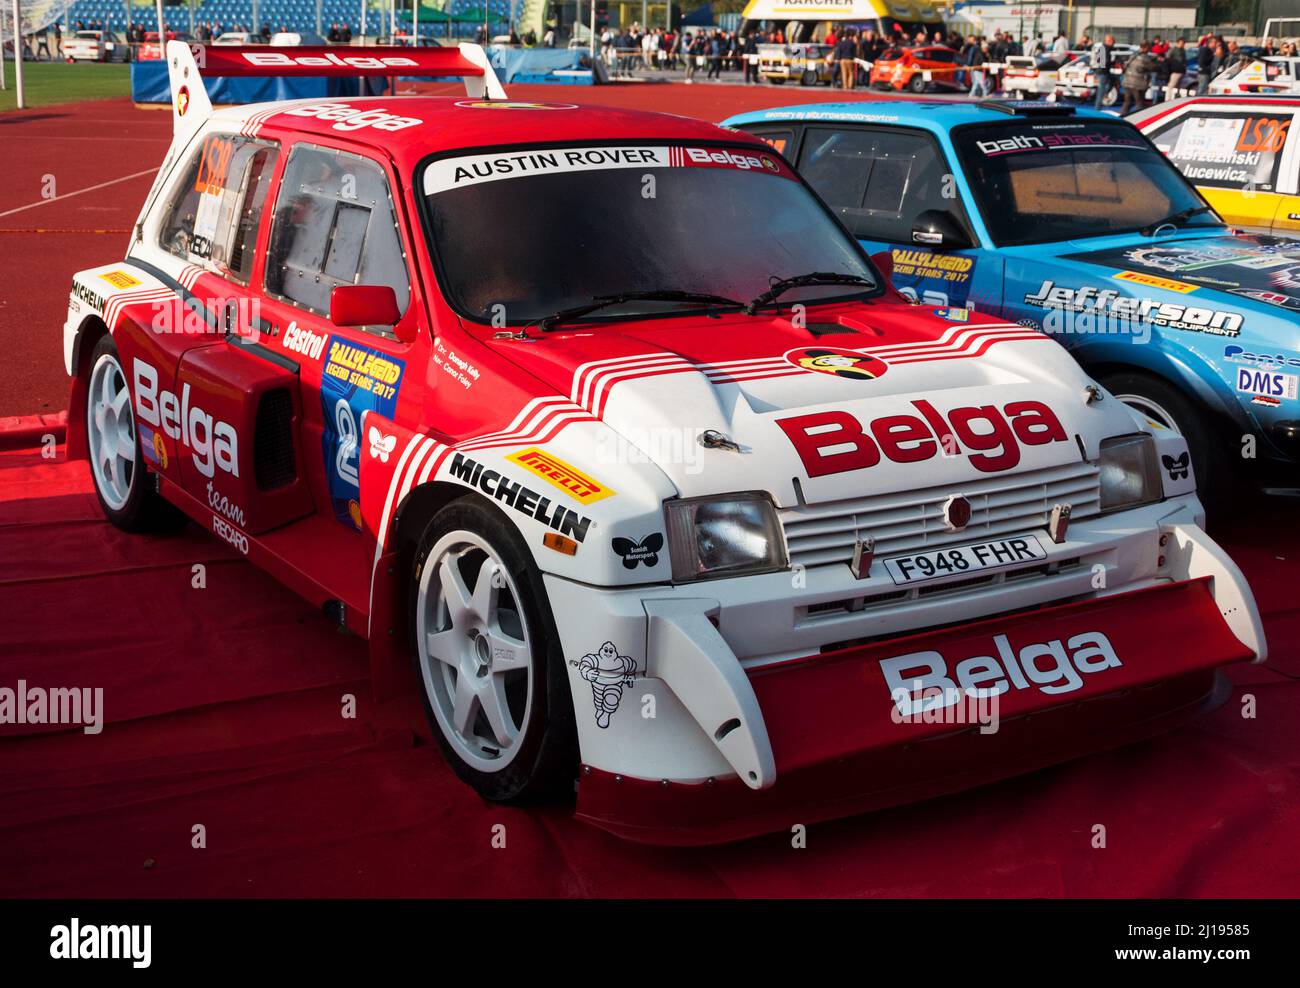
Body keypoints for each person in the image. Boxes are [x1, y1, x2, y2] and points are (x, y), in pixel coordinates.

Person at [1119, 42, 1154, 115]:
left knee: (1127, 102)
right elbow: (1149, 67)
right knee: (1139, 103)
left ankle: (1122, 116)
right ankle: (1140, 119)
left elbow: (1126, 65)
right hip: (1138, 83)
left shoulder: (1133, 55)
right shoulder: (1145, 58)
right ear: (1146, 48)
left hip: (1127, 81)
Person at [1091, 34, 1114, 109]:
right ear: (1107, 41)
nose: (1113, 43)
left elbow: (1098, 59)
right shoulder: (1104, 48)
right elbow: (1101, 61)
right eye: (1111, 41)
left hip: (1103, 72)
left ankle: (1102, 100)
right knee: (1101, 91)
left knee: (1111, 82)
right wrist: (1111, 63)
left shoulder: (1105, 48)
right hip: (1103, 72)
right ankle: (1097, 108)